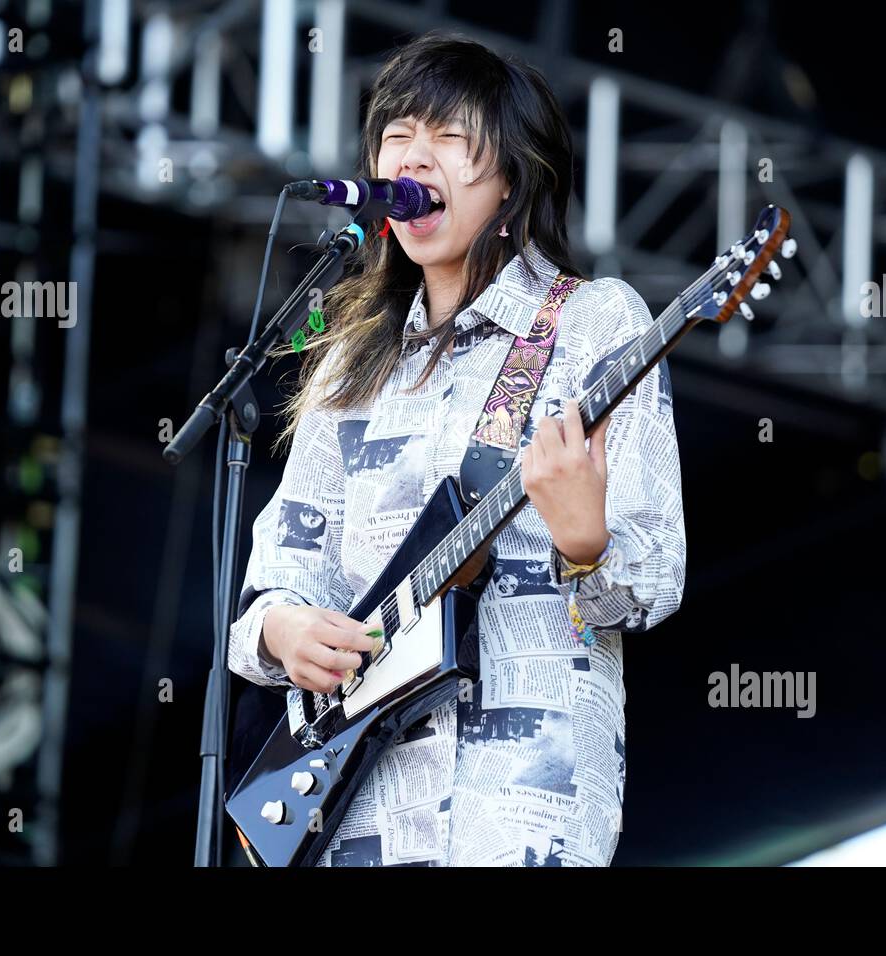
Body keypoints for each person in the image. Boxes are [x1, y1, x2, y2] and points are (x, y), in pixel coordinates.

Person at [229, 30, 686, 866]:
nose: (414, 156)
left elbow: (653, 583)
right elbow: (269, 593)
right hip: (359, 811)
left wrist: (586, 543)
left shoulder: (592, 325)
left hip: (520, 811)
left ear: (511, 176)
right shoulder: (348, 367)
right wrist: (283, 630)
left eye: (448, 136)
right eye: (397, 136)